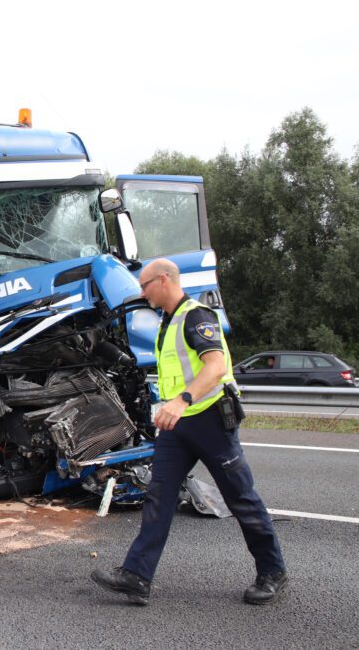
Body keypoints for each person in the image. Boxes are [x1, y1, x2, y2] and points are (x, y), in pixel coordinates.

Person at [91, 259, 287, 606]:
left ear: (163, 280)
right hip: (177, 426)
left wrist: (181, 400)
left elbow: (216, 366)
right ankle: (137, 576)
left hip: (210, 419)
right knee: (159, 496)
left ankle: (272, 571)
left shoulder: (196, 316)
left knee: (241, 497)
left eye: (145, 284)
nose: (142, 292)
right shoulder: (168, 322)